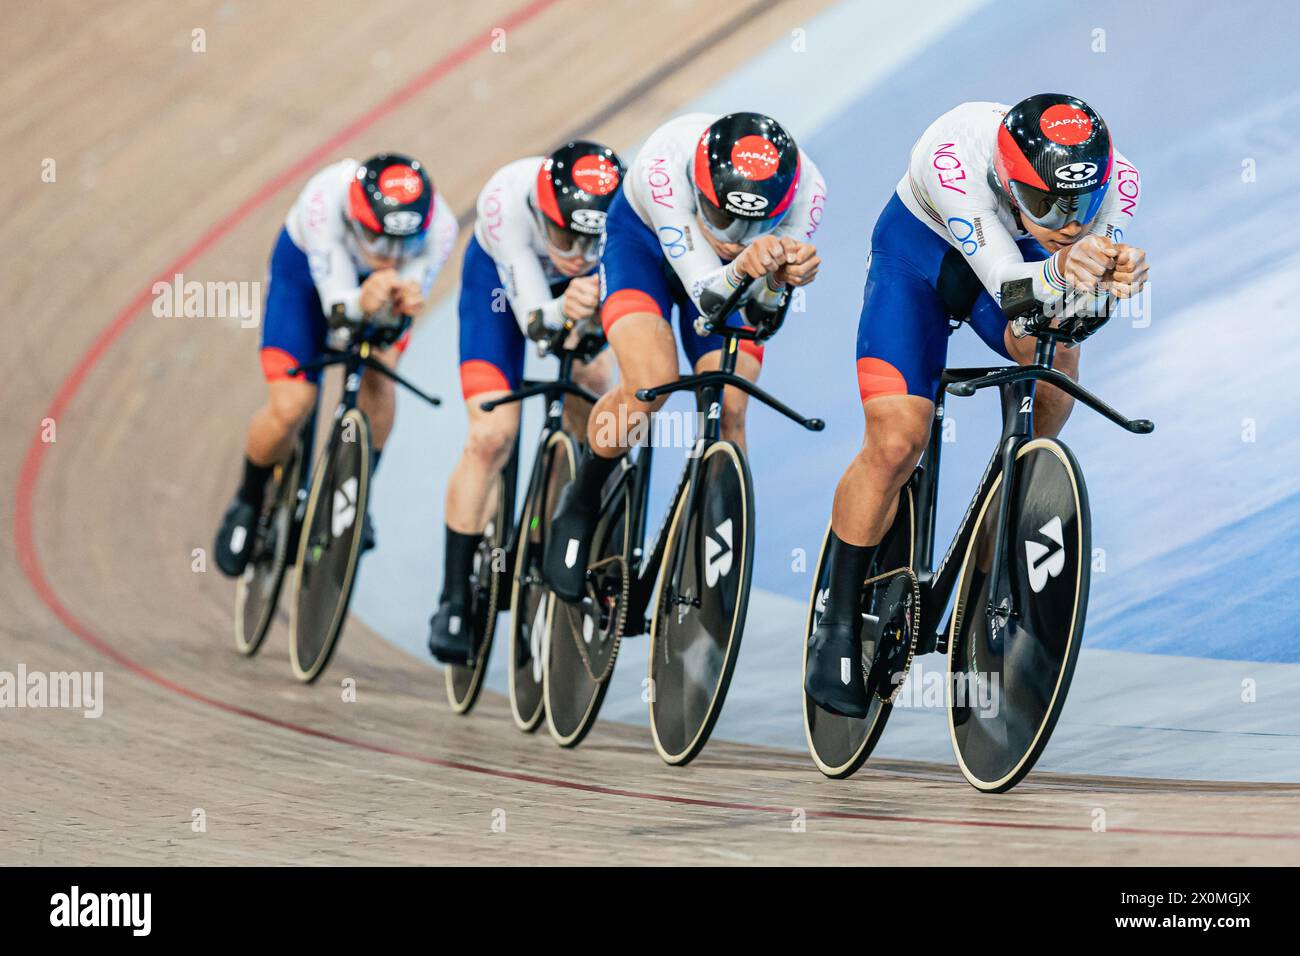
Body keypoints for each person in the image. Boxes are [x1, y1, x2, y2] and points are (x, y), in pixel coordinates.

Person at [805, 93, 1149, 717]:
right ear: (1011, 181)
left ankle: (1002, 515)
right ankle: (835, 619)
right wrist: (1072, 269)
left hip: (1020, 265)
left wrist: (1109, 286)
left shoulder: (1120, 179)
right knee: (897, 441)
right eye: (1047, 205)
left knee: (1056, 364)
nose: (1069, 222)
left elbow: (1071, 313)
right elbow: (1013, 289)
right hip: (922, 261)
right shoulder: (951, 156)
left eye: (1082, 205)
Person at [540, 111, 828, 602]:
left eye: (754, 222)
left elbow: (761, 322)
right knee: (647, 384)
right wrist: (744, 268)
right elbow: (705, 294)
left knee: (731, 403)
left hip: (729, 275)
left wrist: (779, 284)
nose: (734, 233)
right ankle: (581, 500)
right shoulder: (662, 169)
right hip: (645, 245)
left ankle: (716, 548)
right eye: (722, 216)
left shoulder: (808, 195)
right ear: (698, 187)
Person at [427, 141, 625, 665]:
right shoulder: (504, 203)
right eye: (565, 235)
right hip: (500, 287)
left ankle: (579, 502)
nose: (579, 253)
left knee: (596, 377)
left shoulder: (626, 215)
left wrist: (593, 309)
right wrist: (567, 307)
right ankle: (452, 598)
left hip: (580, 298)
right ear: (542, 214)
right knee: (491, 436)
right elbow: (538, 325)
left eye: (592, 239)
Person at [213, 153, 457, 576]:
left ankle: (356, 495)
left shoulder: (441, 229)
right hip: (307, 280)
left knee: (381, 381)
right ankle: (248, 500)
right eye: (377, 239)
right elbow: (340, 312)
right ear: (353, 217)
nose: (390, 254)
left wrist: (402, 301)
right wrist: (362, 300)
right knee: (292, 404)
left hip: (375, 294)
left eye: (403, 244)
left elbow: (404, 300)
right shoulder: (323, 203)